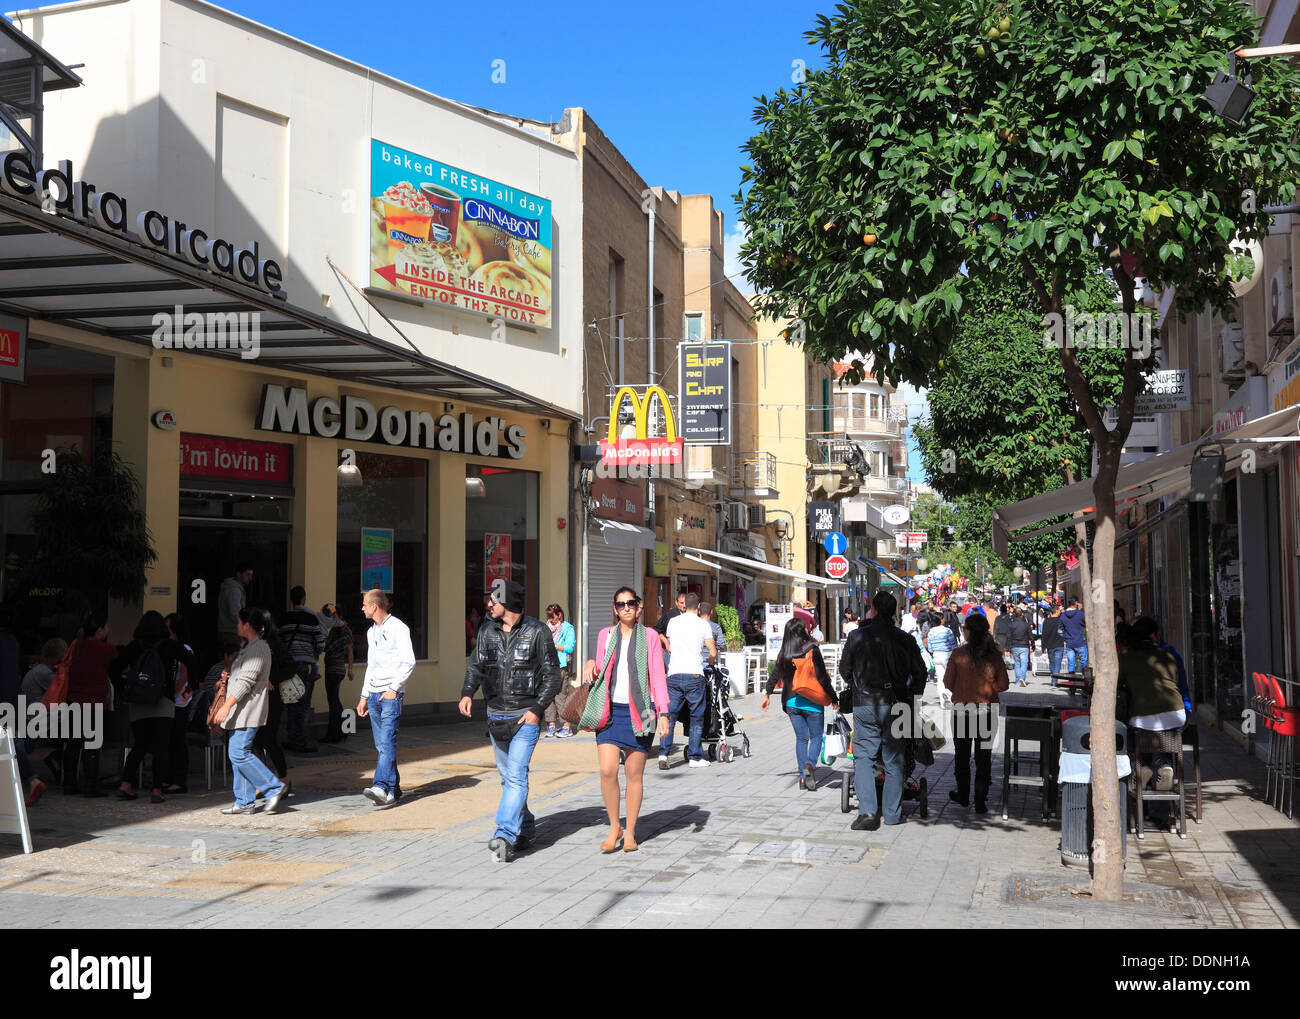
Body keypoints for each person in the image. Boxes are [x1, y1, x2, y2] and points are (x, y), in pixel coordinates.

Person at [460, 579, 562, 863]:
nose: (488, 604)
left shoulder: (538, 631)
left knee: (516, 777)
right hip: (495, 715)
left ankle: (504, 834)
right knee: (508, 780)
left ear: (508, 601)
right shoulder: (486, 631)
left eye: (493, 599)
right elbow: (475, 666)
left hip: (524, 716)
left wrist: (537, 709)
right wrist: (467, 692)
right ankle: (526, 827)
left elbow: (553, 675)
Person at [580, 587, 670, 852]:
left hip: (643, 711)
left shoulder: (650, 636)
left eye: (630, 603)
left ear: (639, 606)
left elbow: (657, 676)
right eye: (620, 604)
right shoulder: (605, 635)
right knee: (608, 771)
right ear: (614, 609)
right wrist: (588, 662)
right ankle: (613, 827)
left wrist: (664, 714)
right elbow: (600, 667)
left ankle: (630, 831)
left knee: (634, 775)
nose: (626, 608)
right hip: (609, 710)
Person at [839, 590, 928, 830]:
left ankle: (868, 812)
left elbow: (844, 670)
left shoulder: (857, 636)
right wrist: (912, 697)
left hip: (865, 703)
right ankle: (891, 813)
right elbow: (921, 673)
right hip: (896, 702)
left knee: (864, 757)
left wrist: (857, 684)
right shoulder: (905, 640)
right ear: (894, 611)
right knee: (894, 759)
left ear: (874, 609)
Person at [211, 607, 288, 815]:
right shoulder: (250, 647)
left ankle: (273, 787)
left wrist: (226, 706)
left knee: (238, 752)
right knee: (237, 753)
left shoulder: (258, 648)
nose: (236, 626)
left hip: (247, 710)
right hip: (241, 711)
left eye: (238, 622)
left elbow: (246, 681)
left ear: (247, 625)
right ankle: (244, 801)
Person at [1118, 617, 1186, 825]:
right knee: (1161, 748)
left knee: (1135, 746)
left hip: (1142, 717)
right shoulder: (1167, 653)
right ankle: (1161, 765)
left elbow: (1118, 684)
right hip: (1176, 714)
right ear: (1153, 635)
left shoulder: (1126, 656)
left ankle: (1142, 769)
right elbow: (1175, 681)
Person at [115, 611, 185, 804]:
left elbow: (115, 666)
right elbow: (191, 660)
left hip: (138, 702)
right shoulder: (170, 646)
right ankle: (156, 790)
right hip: (163, 701)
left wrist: (124, 689)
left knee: (140, 745)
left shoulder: (134, 646)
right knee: (161, 747)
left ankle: (126, 784)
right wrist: (191, 685)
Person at [943, 613, 1009, 814]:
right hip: (987, 710)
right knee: (983, 756)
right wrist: (990, 689)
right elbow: (1004, 684)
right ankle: (980, 799)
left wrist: (963, 689)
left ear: (969, 631)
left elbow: (947, 682)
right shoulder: (995, 655)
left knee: (962, 755)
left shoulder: (958, 654)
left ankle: (963, 795)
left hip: (963, 709)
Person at [356, 589, 415, 807]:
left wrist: (393, 688)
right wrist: (364, 696)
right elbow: (371, 665)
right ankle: (394, 789)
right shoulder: (372, 632)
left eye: (364, 604)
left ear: (374, 606)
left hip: (390, 695)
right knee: (382, 745)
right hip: (373, 694)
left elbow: (408, 661)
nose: (362, 608)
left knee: (387, 741)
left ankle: (380, 785)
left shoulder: (399, 628)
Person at [763, 617, 836, 791]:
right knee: (816, 736)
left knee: (802, 739)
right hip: (812, 701)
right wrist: (834, 698)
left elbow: (774, 675)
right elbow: (822, 678)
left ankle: (803, 779)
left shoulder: (785, 652)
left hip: (791, 702)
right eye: (805, 628)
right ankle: (810, 764)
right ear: (801, 631)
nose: (807, 630)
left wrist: (767, 693)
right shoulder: (812, 649)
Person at [658, 592, 718, 770]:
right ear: (699, 607)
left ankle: (663, 754)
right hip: (694, 675)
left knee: (669, 717)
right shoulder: (703, 624)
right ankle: (695, 757)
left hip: (674, 674)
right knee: (696, 718)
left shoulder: (673, 622)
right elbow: (712, 651)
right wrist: (710, 661)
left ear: (684, 606)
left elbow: (670, 643)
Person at [61, 613, 114, 796]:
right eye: (106, 627)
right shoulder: (106, 649)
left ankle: (69, 783)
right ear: (99, 630)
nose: (108, 630)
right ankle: (91, 785)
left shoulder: (76, 645)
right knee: (92, 745)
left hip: (74, 700)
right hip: (95, 703)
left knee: (74, 744)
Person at [280, 586, 324, 753]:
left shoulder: (283, 619)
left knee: (291, 701)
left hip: (289, 666)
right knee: (304, 704)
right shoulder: (311, 619)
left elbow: (278, 642)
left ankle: (292, 738)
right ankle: (302, 741)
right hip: (306, 665)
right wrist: (314, 654)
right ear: (304, 599)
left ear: (291, 599)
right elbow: (320, 644)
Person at [162, 613, 197, 794]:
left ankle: (178, 779)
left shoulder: (183, 648)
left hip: (180, 700)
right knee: (170, 740)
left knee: (177, 739)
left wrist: (172, 693)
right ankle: (169, 778)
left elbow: (184, 675)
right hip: (174, 699)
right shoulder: (170, 646)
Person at [318, 603, 354, 744]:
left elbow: (349, 650)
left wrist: (350, 668)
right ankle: (343, 730)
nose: (333, 618)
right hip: (335, 668)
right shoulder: (335, 629)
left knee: (333, 701)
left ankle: (335, 733)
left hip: (335, 668)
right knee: (334, 699)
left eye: (335, 615)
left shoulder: (343, 629)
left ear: (339, 615)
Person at [543, 603, 577, 738]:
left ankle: (566, 726)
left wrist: (554, 646)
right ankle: (551, 726)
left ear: (559, 615)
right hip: (546, 665)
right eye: (549, 617)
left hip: (561, 665)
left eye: (553, 617)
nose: (551, 619)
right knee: (547, 696)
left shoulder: (568, 628)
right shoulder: (545, 628)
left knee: (560, 696)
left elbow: (569, 647)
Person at [924, 610, 956, 708]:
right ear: (941, 620)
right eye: (943, 618)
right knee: (951, 678)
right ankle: (950, 696)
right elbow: (953, 645)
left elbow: (930, 648)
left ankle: (942, 702)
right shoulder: (947, 630)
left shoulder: (930, 632)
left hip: (936, 656)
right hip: (947, 656)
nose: (944, 619)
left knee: (940, 679)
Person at [217, 562, 253, 647]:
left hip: (227, 631)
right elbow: (235, 614)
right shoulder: (234, 590)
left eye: (251, 575)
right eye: (247, 575)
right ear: (238, 574)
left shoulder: (233, 588)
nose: (250, 578)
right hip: (232, 633)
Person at [1005, 606, 1034, 688]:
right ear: (1022, 615)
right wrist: (1033, 645)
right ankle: (1022, 678)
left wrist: (1007, 649)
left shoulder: (1011, 624)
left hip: (1014, 646)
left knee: (1017, 663)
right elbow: (1030, 636)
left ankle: (1018, 681)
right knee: (1024, 663)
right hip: (1024, 646)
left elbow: (1008, 637)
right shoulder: (1026, 624)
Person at [1060, 598, 1088, 672]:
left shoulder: (1063, 615)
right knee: (1084, 662)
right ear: (1076, 603)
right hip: (1080, 642)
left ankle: (1071, 680)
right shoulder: (1080, 614)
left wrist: (1065, 638)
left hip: (1069, 642)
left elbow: (1060, 630)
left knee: (1071, 663)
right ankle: (1085, 679)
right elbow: (1086, 624)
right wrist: (1080, 610)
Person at [1041, 603, 1066, 683]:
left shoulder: (1046, 621)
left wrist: (1043, 646)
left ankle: (1054, 679)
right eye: (1059, 610)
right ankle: (1054, 680)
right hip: (1059, 645)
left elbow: (1044, 635)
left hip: (1050, 645)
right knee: (1057, 663)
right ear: (1056, 611)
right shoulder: (1061, 621)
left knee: (1052, 663)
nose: (1060, 612)